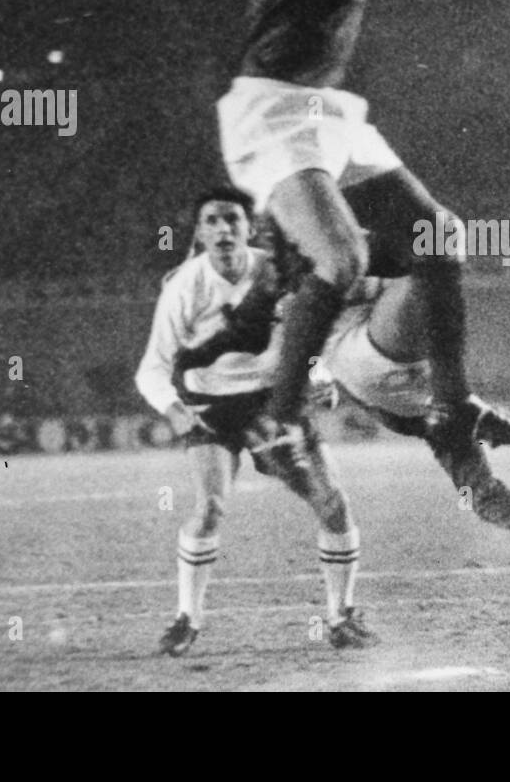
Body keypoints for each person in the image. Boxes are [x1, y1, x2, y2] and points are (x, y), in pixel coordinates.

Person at [207, 0, 510, 475]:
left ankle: (453, 404)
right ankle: (278, 427)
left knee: (440, 234)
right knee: (341, 261)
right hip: (271, 113)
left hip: (330, 114)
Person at [180, 216, 510, 543]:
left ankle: (470, 417)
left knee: (429, 257)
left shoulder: (289, 269)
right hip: (368, 362)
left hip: (382, 376)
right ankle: (464, 406)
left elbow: (481, 496)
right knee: (431, 255)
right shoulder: (282, 278)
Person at [136, 188, 373, 656]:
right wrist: (178, 414)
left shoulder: (276, 272)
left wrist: (320, 374)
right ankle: (187, 619)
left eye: (232, 219)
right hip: (213, 406)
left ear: (249, 228)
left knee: (332, 504)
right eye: (212, 221)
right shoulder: (184, 287)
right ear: (200, 233)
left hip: (273, 402)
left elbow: (307, 336)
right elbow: (151, 370)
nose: (224, 229)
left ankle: (341, 617)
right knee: (210, 509)